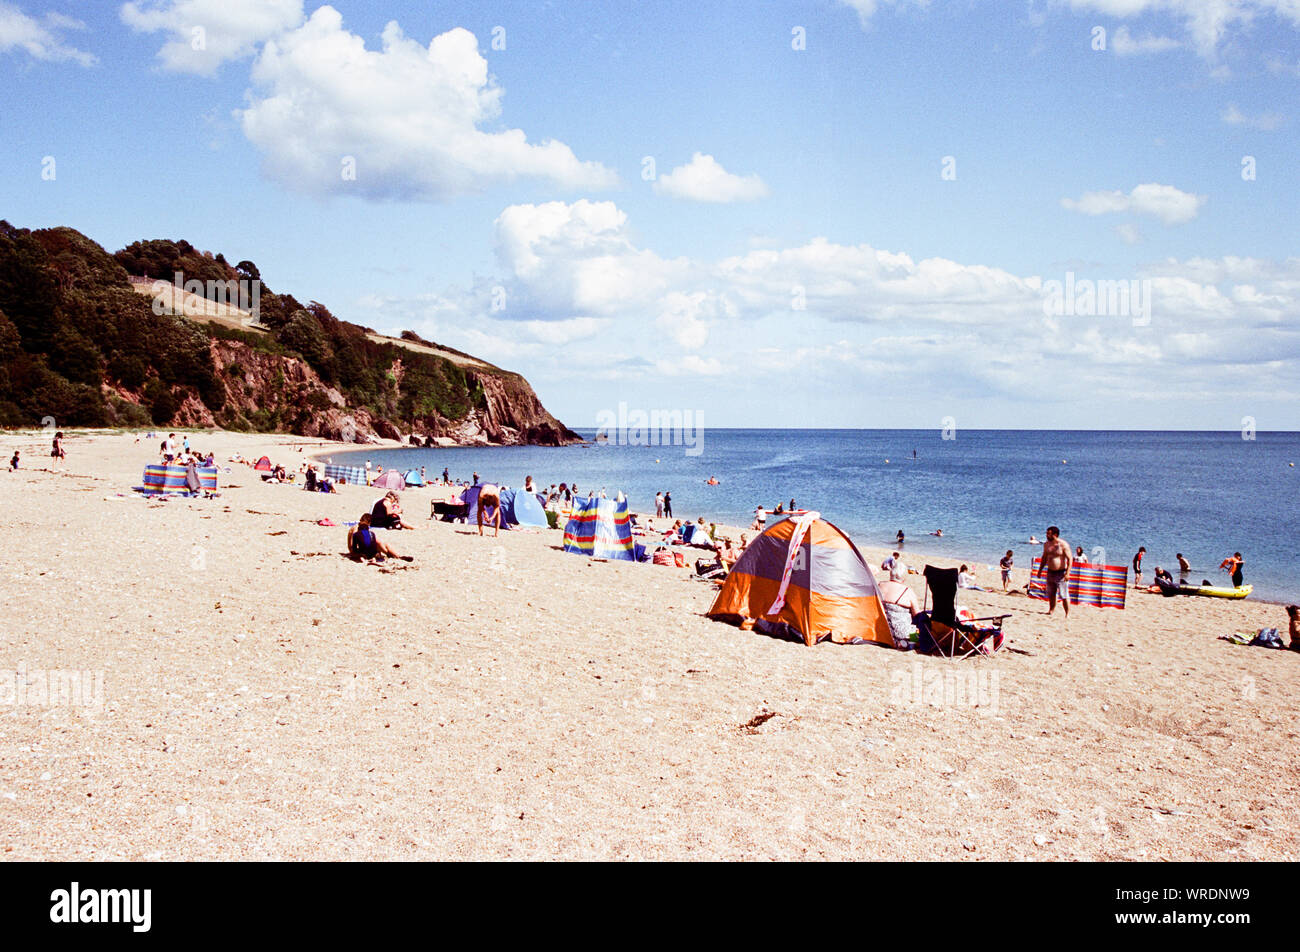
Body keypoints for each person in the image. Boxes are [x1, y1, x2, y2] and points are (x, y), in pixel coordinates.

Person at [348, 513, 412, 563]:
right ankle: (392, 555)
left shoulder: (362, 528)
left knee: (383, 543)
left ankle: (397, 556)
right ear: (369, 523)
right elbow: (351, 546)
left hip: (364, 548)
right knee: (378, 542)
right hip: (359, 551)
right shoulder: (355, 528)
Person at [877, 575, 920, 649]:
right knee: (917, 630)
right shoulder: (907, 591)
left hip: (880, 630)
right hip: (902, 631)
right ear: (904, 578)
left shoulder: (879, 585)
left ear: (890, 575)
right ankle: (911, 644)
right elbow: (917, 614)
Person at [1038, 526, 1072, 617]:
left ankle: (1067, 614)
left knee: (1063, 594)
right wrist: (1040, 570)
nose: (1046, 535)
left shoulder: (1063, 545)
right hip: (1050, 572)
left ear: (1055, 535)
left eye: (1048, 533)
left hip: (1061, 573)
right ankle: (1051, 610)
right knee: (1051, 593)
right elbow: (1044, 558)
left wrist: (1067, 573)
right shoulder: (1046, 544)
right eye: (1046, 533)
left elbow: (1070, 559)